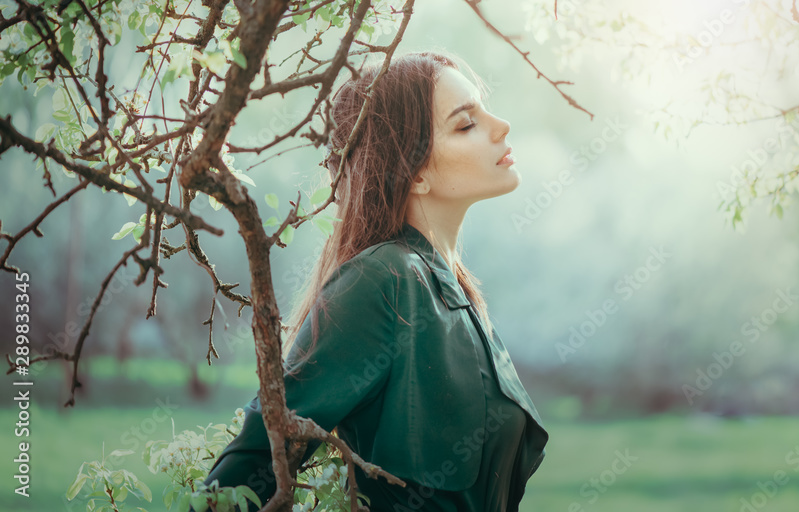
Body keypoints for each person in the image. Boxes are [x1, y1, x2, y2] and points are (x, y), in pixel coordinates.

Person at [200, 50, 549, 512]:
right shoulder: (383, 280)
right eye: (466, 124)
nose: (501, 125)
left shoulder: (456, 289)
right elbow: (257, 457)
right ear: (415, 173)